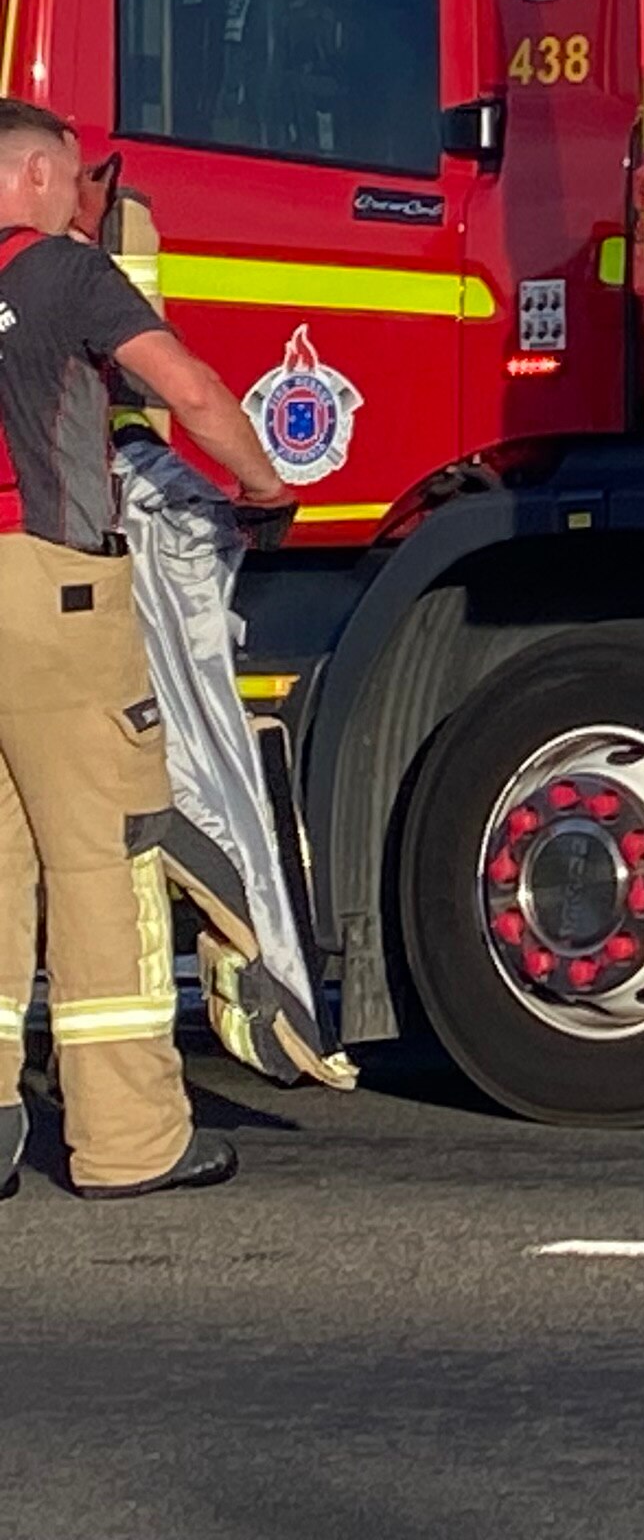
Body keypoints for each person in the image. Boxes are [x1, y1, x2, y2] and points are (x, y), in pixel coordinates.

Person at [0, 94, 294, 1202]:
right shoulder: (64, 273)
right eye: (78, 181)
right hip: (52, 593)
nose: (88, 205)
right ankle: (130, 1142)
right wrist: (264, 487)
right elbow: (191, 392)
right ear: (34, 174)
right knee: (102, 861)